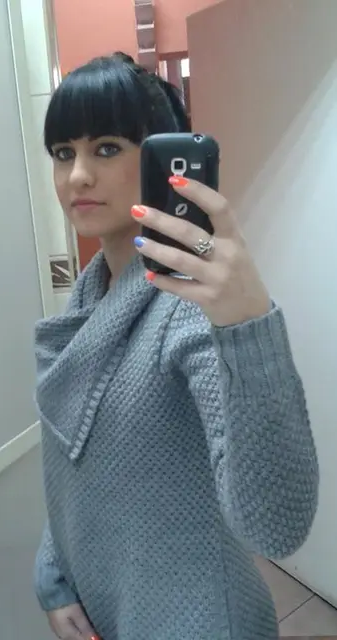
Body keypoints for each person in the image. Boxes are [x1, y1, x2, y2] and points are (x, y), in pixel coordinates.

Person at [33, 53, 319, 640]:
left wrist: (248, 326)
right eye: (63, 152)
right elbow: (69, 465)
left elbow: (277, 527)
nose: (77, 175)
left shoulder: (188, 312)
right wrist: (55, 576)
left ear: (162, 164)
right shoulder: (89, 298)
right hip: (109, 607)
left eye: (106, 148)